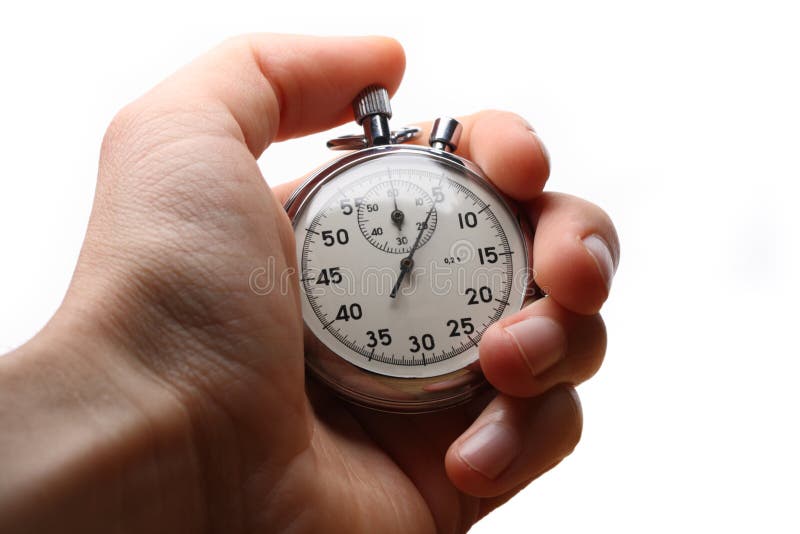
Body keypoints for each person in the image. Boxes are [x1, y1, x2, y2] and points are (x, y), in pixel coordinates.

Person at [0, 34, 619, 533]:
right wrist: (167, 394)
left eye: (417, 244)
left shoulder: (454, 204)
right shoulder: (311, 225)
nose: (404, 259)